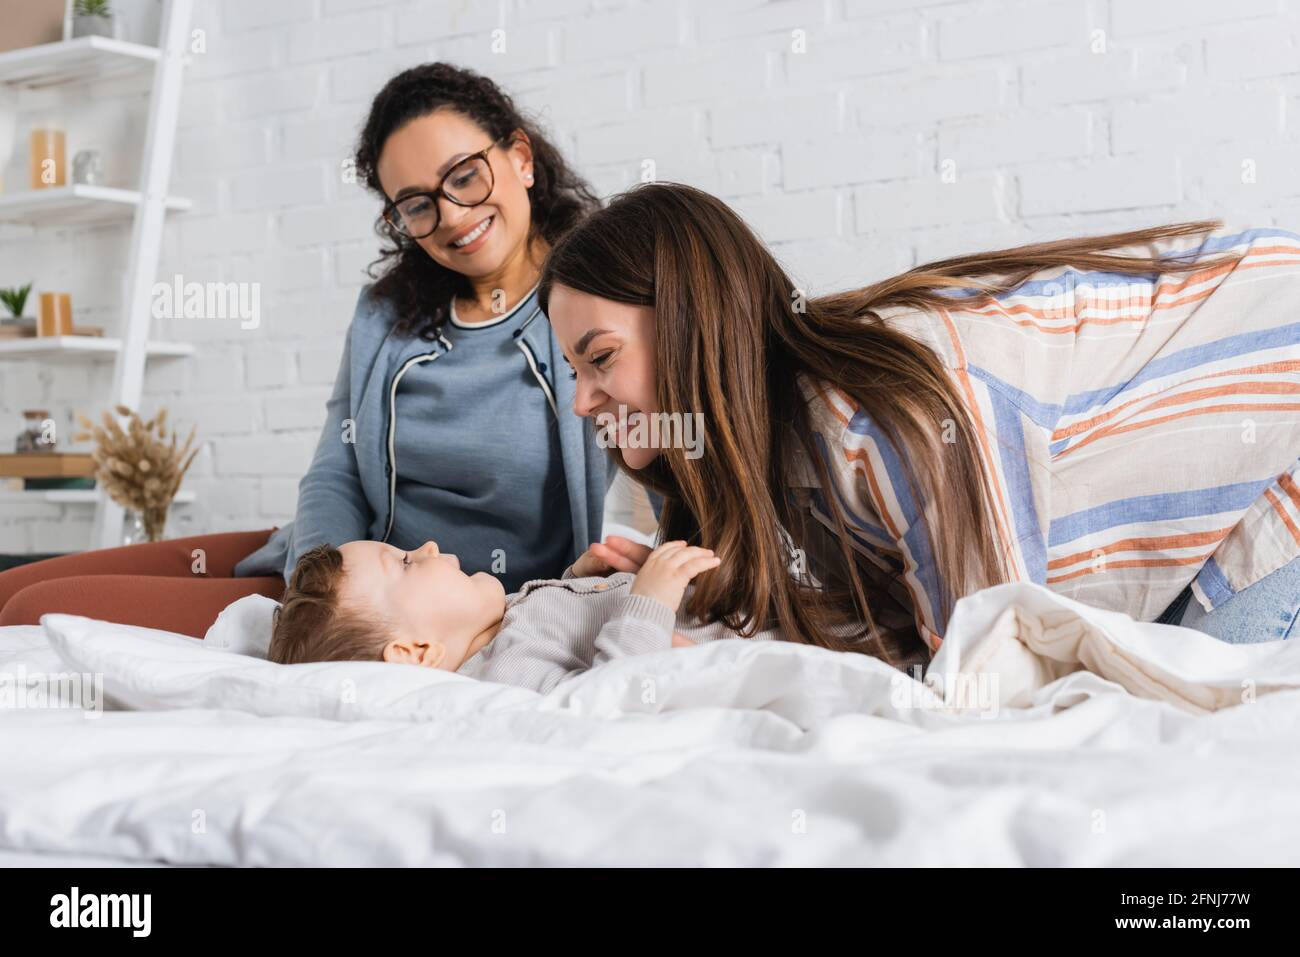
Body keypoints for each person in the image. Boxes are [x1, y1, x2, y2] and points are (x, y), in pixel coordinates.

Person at [537, 182, 1300, 665]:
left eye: (599, 358)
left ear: (693, 325)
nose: (582, 402)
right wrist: (648, 603)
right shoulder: (758, 460)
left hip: (1277, 430)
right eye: (575, 371)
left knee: (1187, 727)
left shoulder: (871, 413)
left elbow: (991, 671)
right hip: (1189, 524)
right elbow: (879, 634)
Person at [0, 64, 610, 637]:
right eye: (418, 204)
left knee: (31, 612)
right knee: (12, 588)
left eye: (466, 176)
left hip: (415, 609)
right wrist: (317, 579)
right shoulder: (387, 313)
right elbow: (334, 470)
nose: (451, 216)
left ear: (521, 158)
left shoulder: (596, 311)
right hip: (323, 567)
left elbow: (679, 466)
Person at [267, 537, 764, 695]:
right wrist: (649, 602)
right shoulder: (504, 670)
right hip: (767, 636)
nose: (428, 545)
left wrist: (578, 579)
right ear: (415, 652)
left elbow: (563, 630)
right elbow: (605, 698)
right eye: (404, 562)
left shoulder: (503, 623)